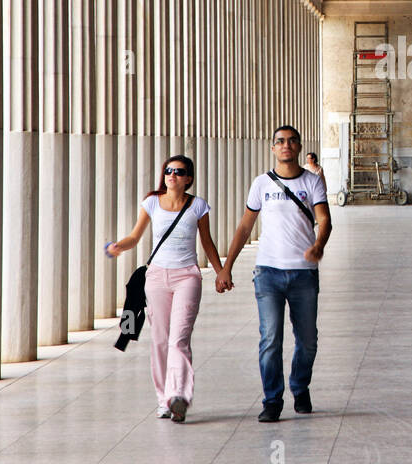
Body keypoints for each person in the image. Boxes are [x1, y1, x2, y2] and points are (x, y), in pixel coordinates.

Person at [223, 125, 332, 423]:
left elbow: (324, 219)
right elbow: (245, 227)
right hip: (268, 273)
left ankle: (300, 387)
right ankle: (272, 400)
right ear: (273, 148)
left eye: (291, 141)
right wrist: (226, 267)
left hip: (304, 274)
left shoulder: (312, 182)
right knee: (270, 339)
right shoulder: (261, 184)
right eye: (280, 142)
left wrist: (319, 245)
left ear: (299, 147)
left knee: (307, 339)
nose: (286, 146)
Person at [107, 155, 226, 422]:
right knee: (160, 340)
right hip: (157, 277)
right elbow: (135, 236)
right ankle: (164, 399)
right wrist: (117, 247)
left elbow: (207, 243)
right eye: (168, 171)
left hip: (188, 277)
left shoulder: (198, 207)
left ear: (189, 179)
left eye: (179, 172)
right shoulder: (151, 203)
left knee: (179, 339)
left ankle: (179, 396)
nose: (172, 175)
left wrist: (221, 272)